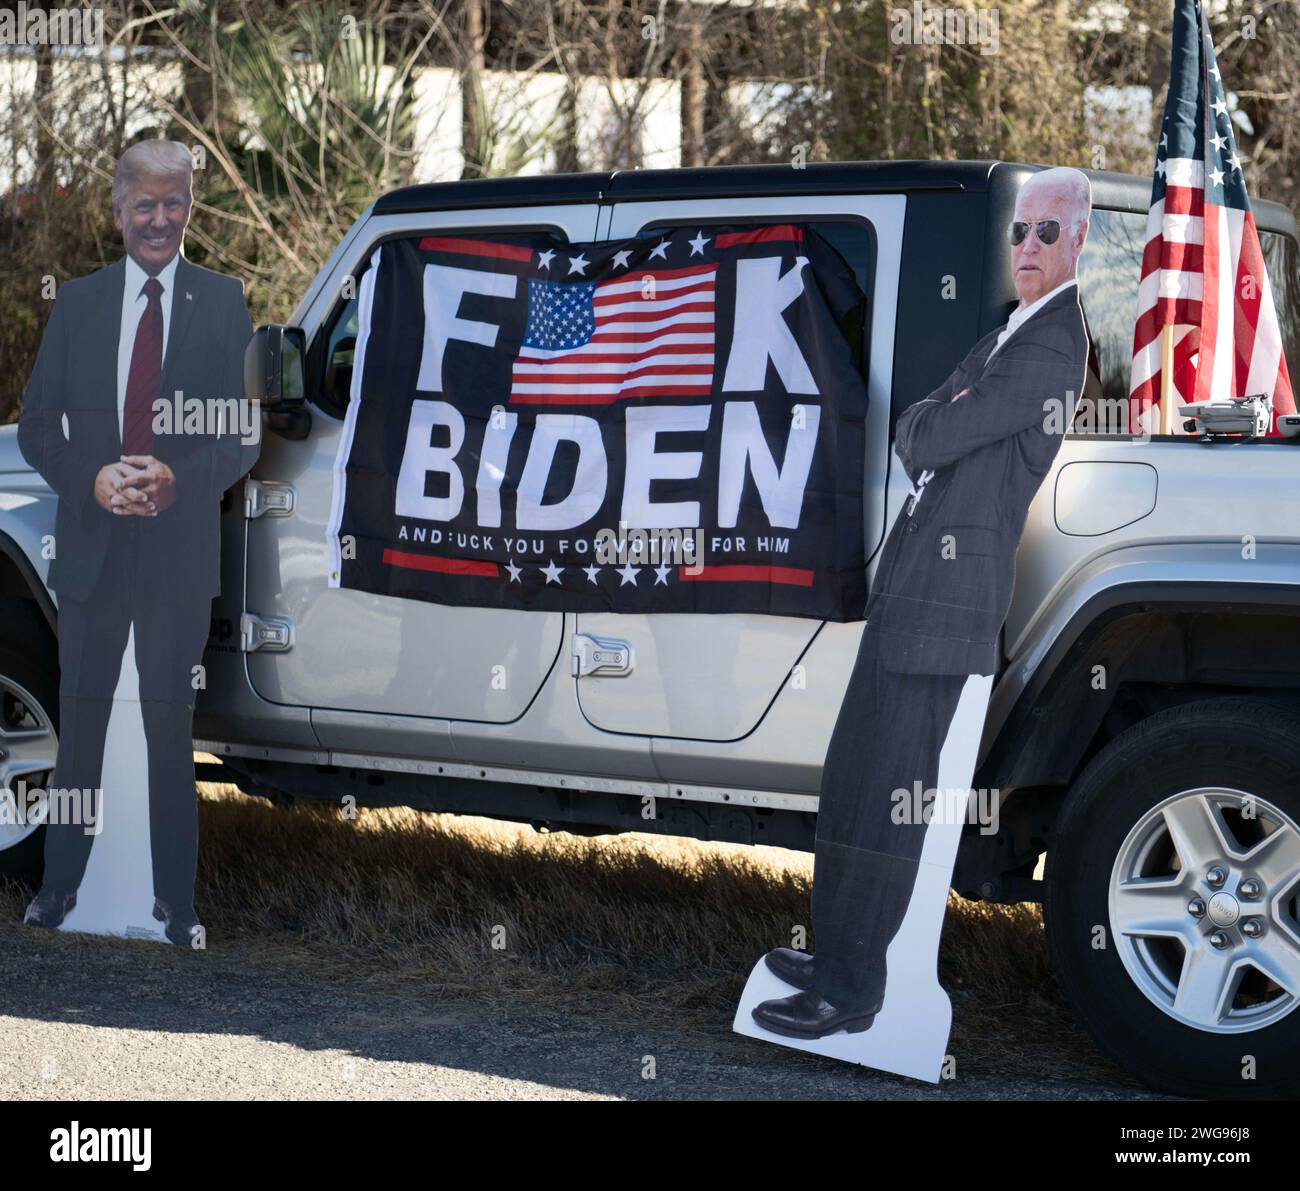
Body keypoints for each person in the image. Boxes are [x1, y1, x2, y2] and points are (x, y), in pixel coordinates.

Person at [752, 167, 1093, 1037]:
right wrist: (942, 412)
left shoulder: (1055, 342)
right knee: (855, 779)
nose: (1026, 247)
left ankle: (854, 989)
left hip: (947, 604)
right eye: (1019, 231)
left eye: (1045, 234)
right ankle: (833, 954)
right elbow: (916, 425)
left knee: (891, 794)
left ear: (1079, 240)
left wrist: (945, 412)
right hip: (912, 586)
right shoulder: (1014, 327)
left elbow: (936, 429)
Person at [17, 139, 257, 944]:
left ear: (191, 206)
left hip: (176, 559)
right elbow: (35, 424)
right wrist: (89, 478)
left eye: (174, 202)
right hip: (91, 551)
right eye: (144, 204)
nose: (160, 218)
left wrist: (179, 477)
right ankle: (59, 893)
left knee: (166, 731)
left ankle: (175, 906)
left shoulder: (223, 302)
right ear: (119, 211)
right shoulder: (80, 303)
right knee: (81, 728)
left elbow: (244, 431)